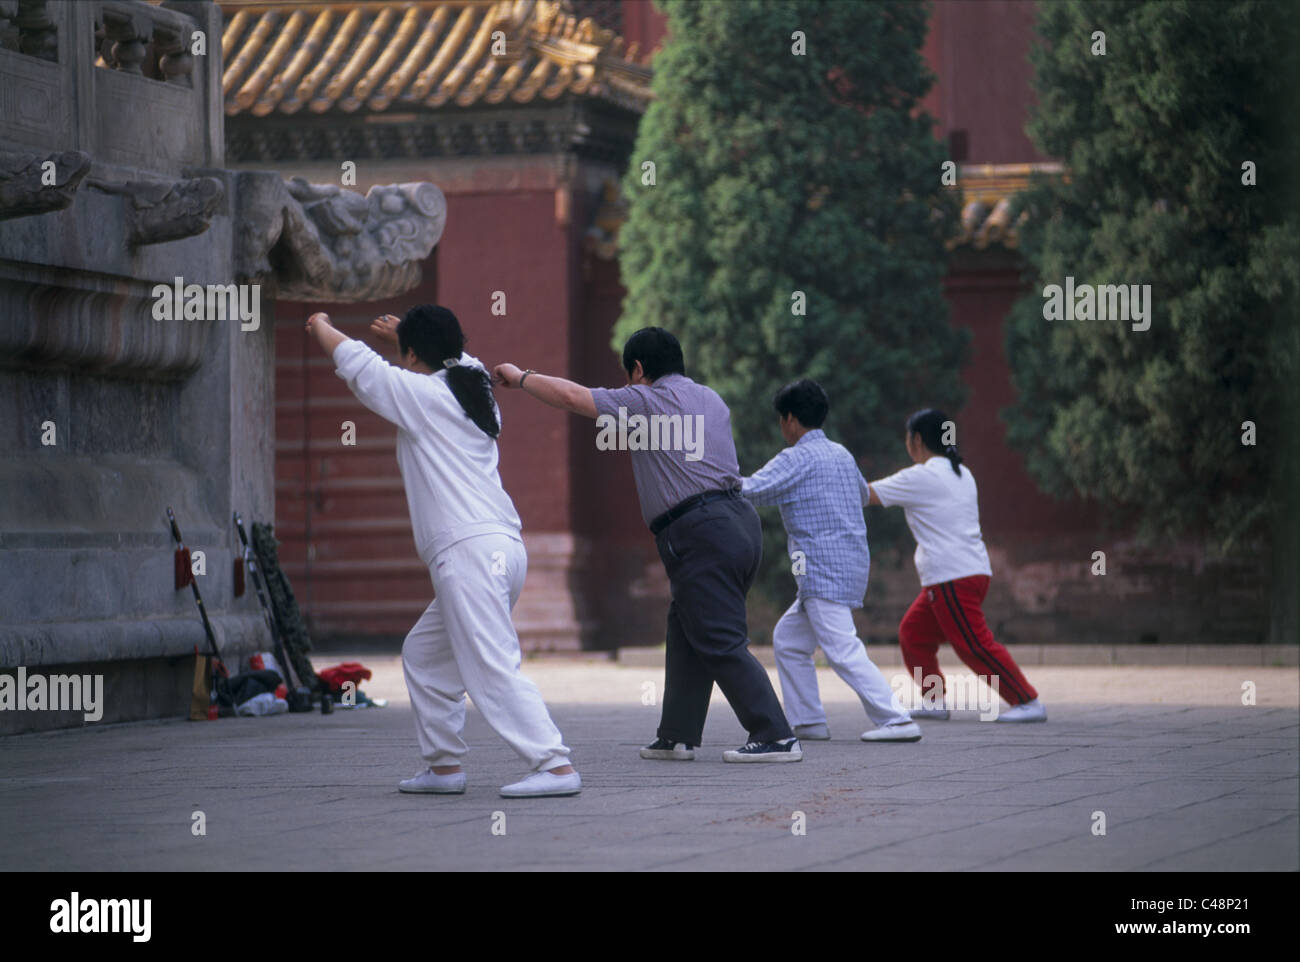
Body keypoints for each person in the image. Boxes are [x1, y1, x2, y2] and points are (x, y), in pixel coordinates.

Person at [305, 305, 581, 797]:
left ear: (413, 355)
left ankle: (555, 766)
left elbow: (363, 368)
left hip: (469, 552)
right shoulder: (474, 388)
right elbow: (461, 360)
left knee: (491, 665)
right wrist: (409, 340)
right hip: (500, 547)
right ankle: (444, 768)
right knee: (425, 656)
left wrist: (322, 326)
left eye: (407, 353)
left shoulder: (422, 395)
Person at [492, 328, 801, 762]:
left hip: (701, 531)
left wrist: (521, 377)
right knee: (687, 627)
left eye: (627, 374)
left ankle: (776, 735)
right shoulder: (711, 399)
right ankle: (677, 735)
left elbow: (573, 397)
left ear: (638, 369)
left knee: (718, 636)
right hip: (737, 524)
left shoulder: (646, 400)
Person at [742, 379, 922, 742]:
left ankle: (896, 719)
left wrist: (708, 478)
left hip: (821, 568)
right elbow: (861, 495)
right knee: (789, 640)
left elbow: (750, 490)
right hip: (848, 564)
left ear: (790, 419)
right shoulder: (841, 454)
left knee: (842, 649)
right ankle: (809, 721)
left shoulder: (795, 458)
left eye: (781, 419)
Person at [866, 409, 1046, 722]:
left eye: (908, 438)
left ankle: (1027, 701)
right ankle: (934, 701)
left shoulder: (921, 476)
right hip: (968, 573)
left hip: (952, 578)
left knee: (973, 644)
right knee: (914, 633)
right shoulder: (962, 474)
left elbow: (865, 494)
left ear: (916, 440)